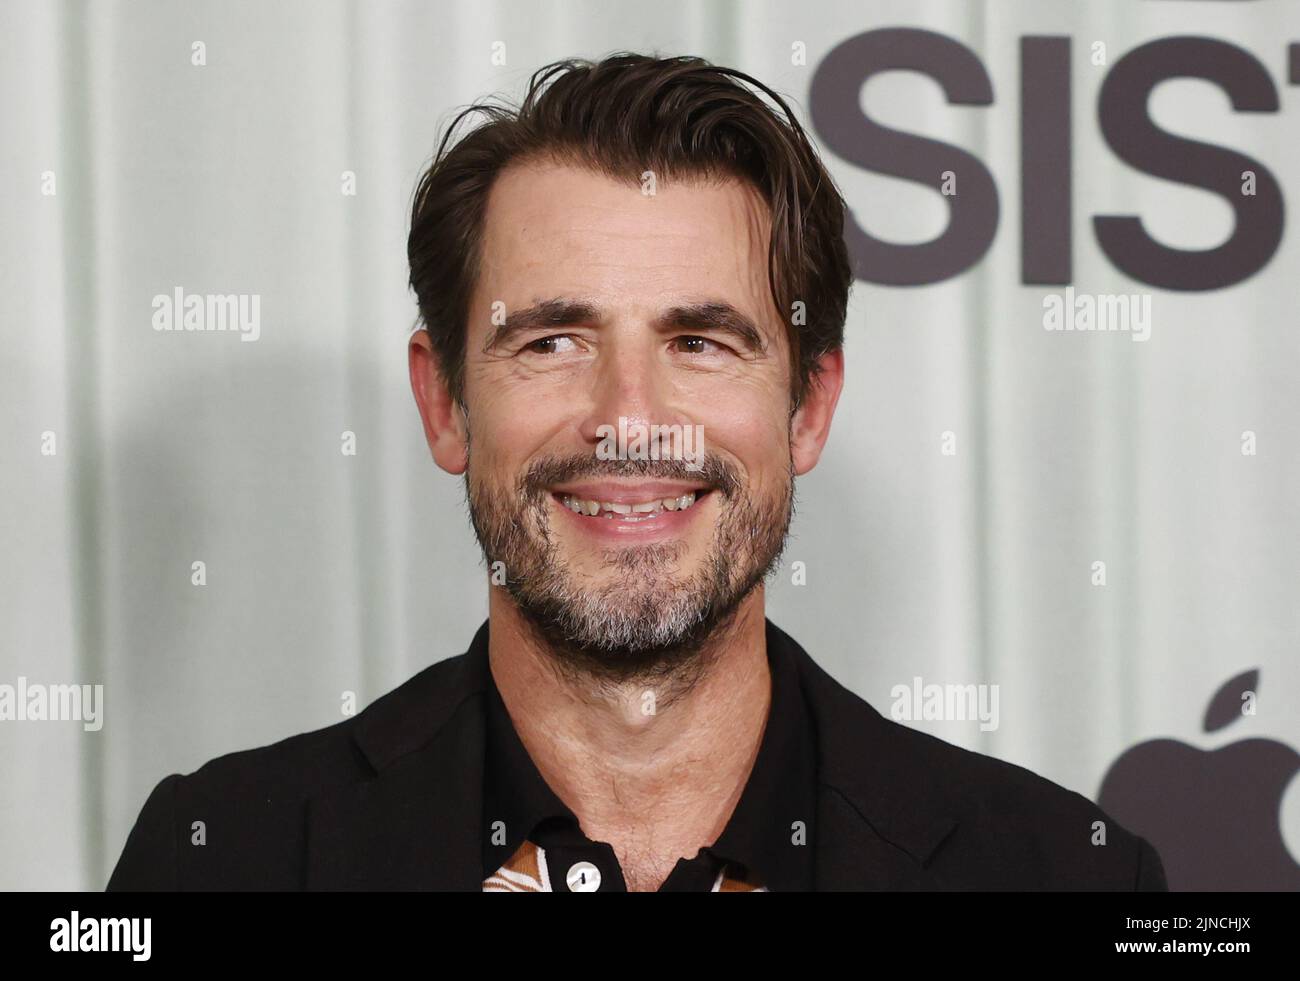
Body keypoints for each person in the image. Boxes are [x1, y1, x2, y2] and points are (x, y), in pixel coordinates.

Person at [108, 53, 1166, 892]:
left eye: (700, 342)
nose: (628, 420)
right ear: (444, 405)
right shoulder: (221, 860)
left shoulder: (1064, 874)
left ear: (807, 406)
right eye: (552, 342)